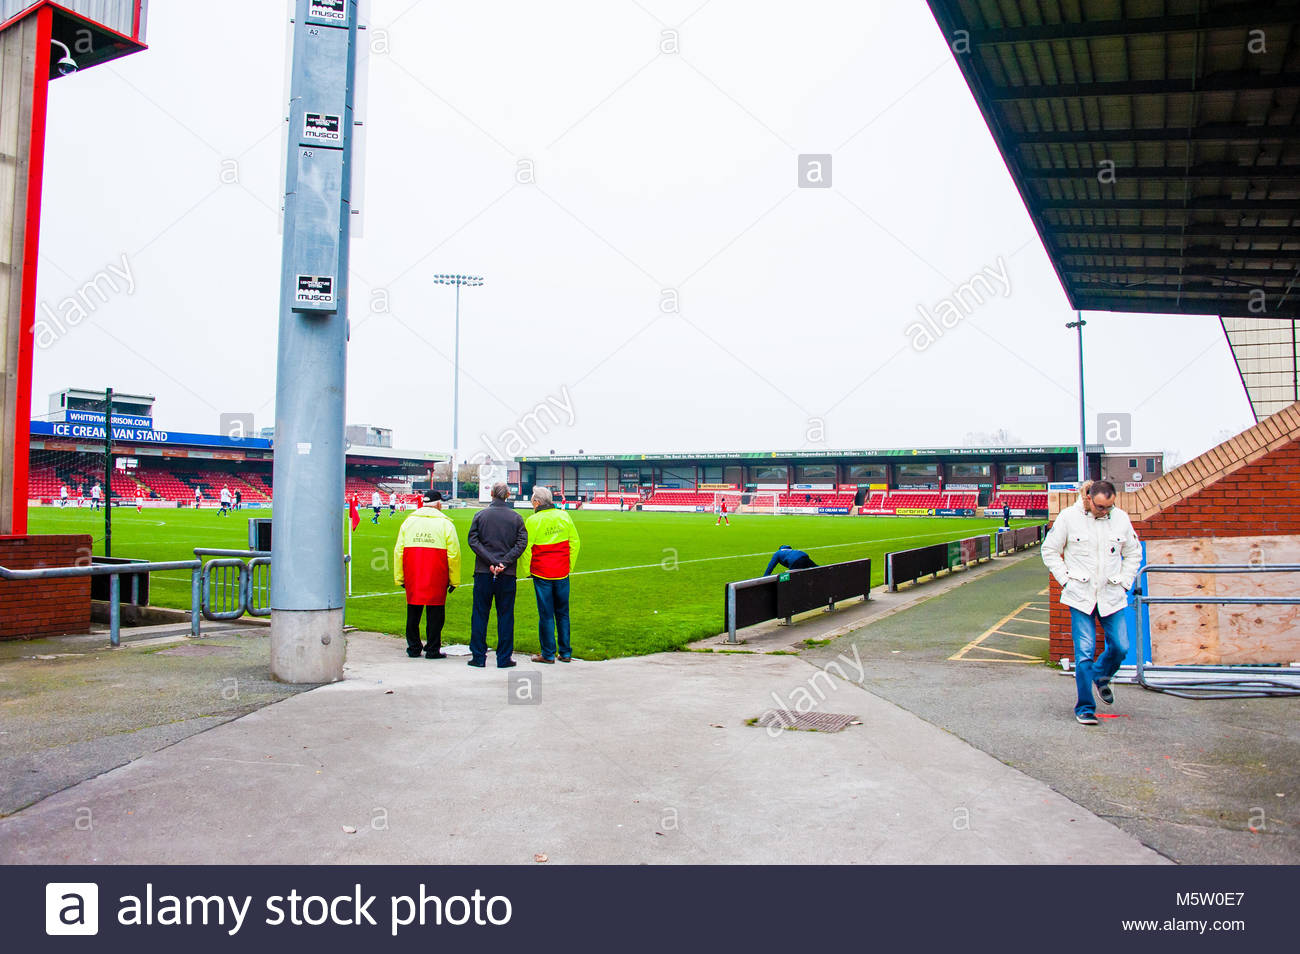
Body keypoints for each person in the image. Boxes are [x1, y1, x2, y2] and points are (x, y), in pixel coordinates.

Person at [1041, 479, 1141, 726]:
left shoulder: (1121, 519)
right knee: (1084, 652)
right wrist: (1066, 580)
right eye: (1099, 507)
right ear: (1088, 498)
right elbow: (1050, 550)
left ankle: (1101, 675)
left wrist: (1126, 581)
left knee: (1120, 646)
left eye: (1109, 507)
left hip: (1112, 594)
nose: (1104, 511)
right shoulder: (1068, 518)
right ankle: (1085, 707)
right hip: (1081, 595)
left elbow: (1133, 553)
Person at [466, 481, 528, 669]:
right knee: (506, 616)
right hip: (506, 574)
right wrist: (504, 562)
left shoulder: (480, 515)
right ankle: (503, 658)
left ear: (491, 493)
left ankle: (478, 656)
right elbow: (522, 543)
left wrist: (490, 561)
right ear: (507, 495)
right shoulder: (516, 518)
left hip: (484, 572)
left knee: (480, 614)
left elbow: (473, 540)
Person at [393, 490, 461, 659]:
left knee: (413, 612)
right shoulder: (446, 524)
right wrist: (454, 580)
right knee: (435, 614)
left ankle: (414, 647)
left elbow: (398, 552)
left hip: (413, 573)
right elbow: (453, 555)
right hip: (436, 573)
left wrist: (399, 577)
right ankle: (432, 649)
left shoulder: (408, 522)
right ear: (438, 504)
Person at [520, 486, 581, 664]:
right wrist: (569, 566)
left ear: (537, 502)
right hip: (562, 572)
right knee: (563, 613)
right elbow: (575, 543)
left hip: (542, 573)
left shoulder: (532, 520)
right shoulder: (564, 516)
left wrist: (527, 571)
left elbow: (526, 549)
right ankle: (566, 652)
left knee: (546, 614)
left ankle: (548, 654)